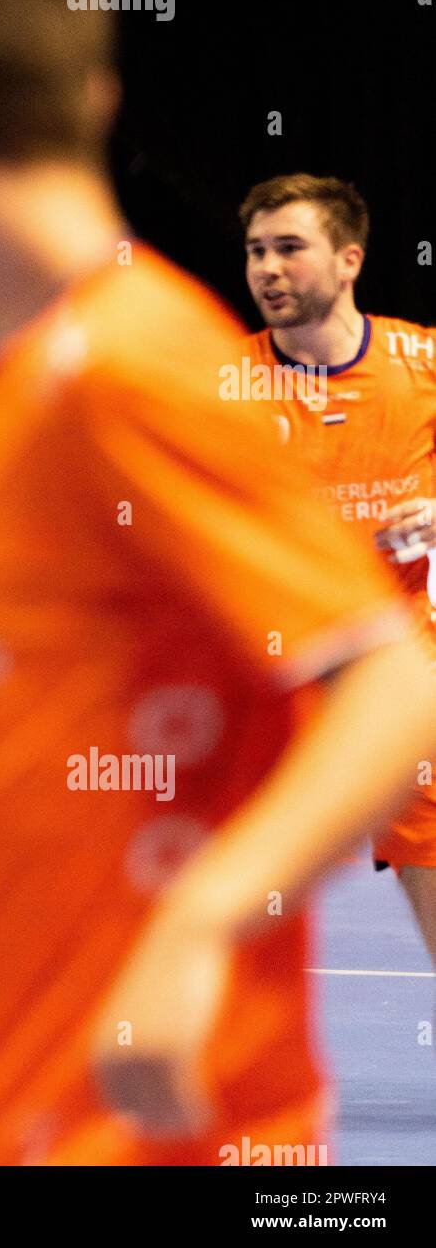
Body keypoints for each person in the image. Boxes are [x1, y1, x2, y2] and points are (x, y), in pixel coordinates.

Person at [0, 0, 436, 1166]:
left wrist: (204, 918)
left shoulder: (135, 369)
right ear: (95, 100)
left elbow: (394, 678)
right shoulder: (26, 397)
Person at [240, 173, 436, 967]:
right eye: (255, 252)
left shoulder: (419, 361)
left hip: (399, 680)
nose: (266, 269)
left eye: (289, 248)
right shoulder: (220, 386)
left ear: (347, 259)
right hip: (268, 689)